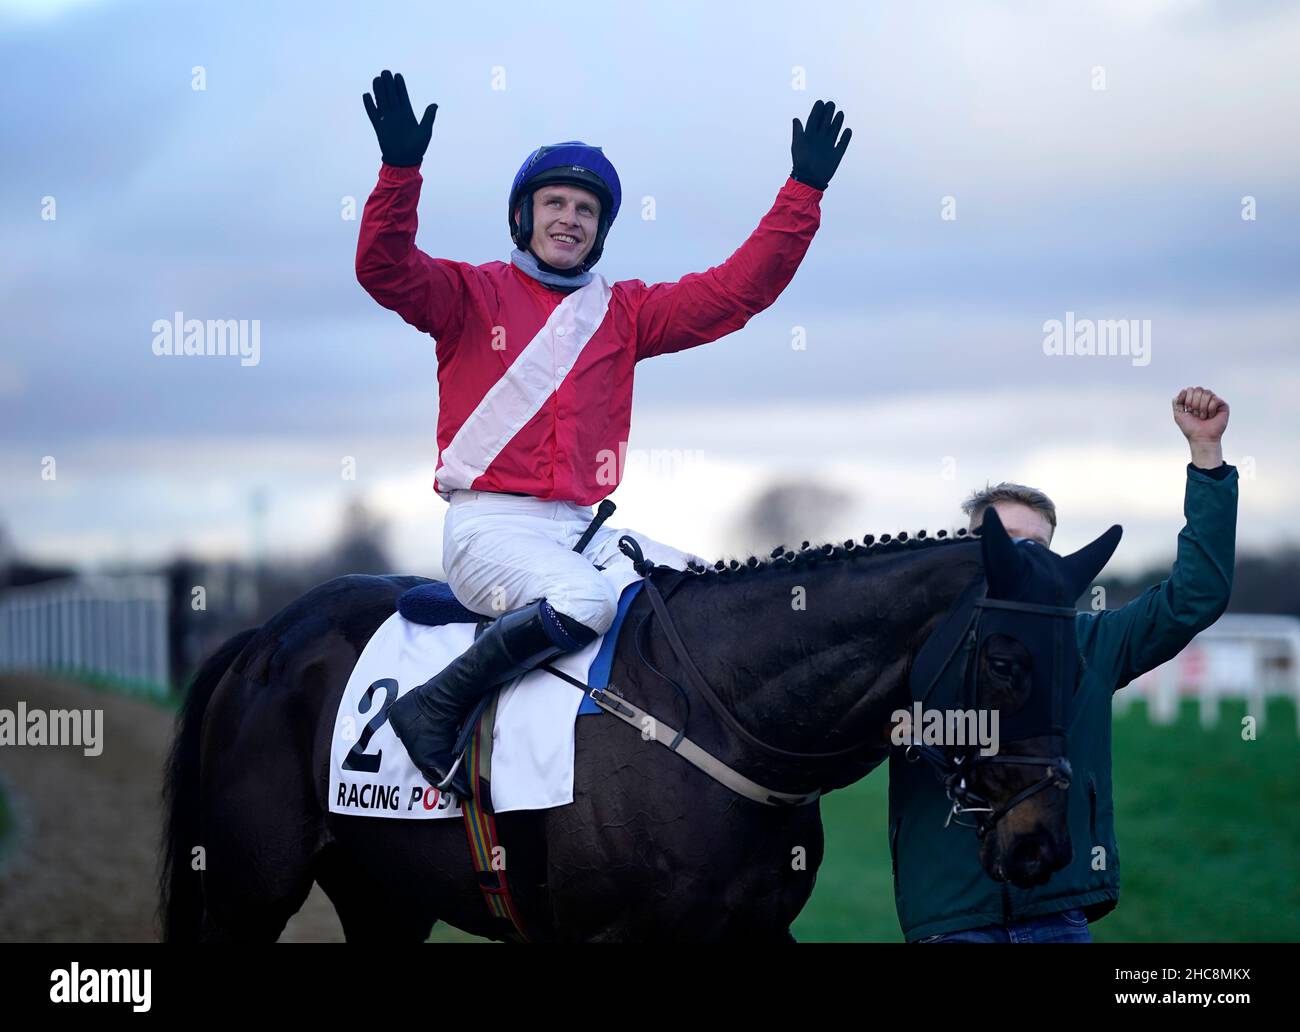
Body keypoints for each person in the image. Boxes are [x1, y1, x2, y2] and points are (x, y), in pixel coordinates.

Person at [355, 70, 852, 797]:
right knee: (584, 603)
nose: (570, 218)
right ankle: (435, 709)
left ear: (600, 229)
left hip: (581, 531)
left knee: (702, 595)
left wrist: (801, 193)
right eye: (554, 202)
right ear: (521, 217)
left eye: (586, 209)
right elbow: (383, 268)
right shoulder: (467, 293)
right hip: (487, 531)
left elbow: (738, 291)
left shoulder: (626, 312)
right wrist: (400, 172)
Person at [891, 386, 1238, 942]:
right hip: (951, 921)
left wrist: (1206, 456)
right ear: (969, 553)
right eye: (1003, 542)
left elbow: (1194, 597)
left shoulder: (1092, 644)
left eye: (1039, 546)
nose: (1023, 558)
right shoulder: (914, 657)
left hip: (1059, 916)